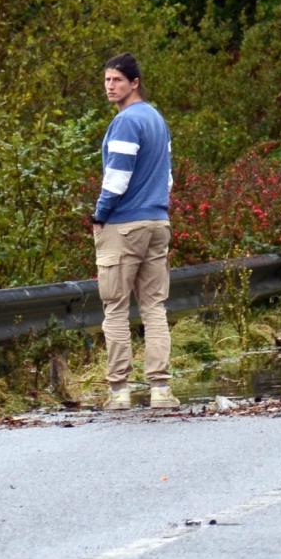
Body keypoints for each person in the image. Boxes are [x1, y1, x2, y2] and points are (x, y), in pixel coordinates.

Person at [92, 52, 179, 409]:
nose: (110, 87)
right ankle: (160, 389)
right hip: (158, 221)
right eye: (107, 80)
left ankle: (120, 391)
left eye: (117, 80)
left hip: (124, 224)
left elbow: (117, 177)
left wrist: (99, 214)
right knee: (154, 307)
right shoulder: (157, 120)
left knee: (115, 307)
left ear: (134, 82)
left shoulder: (126, 122)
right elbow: (168, 177)